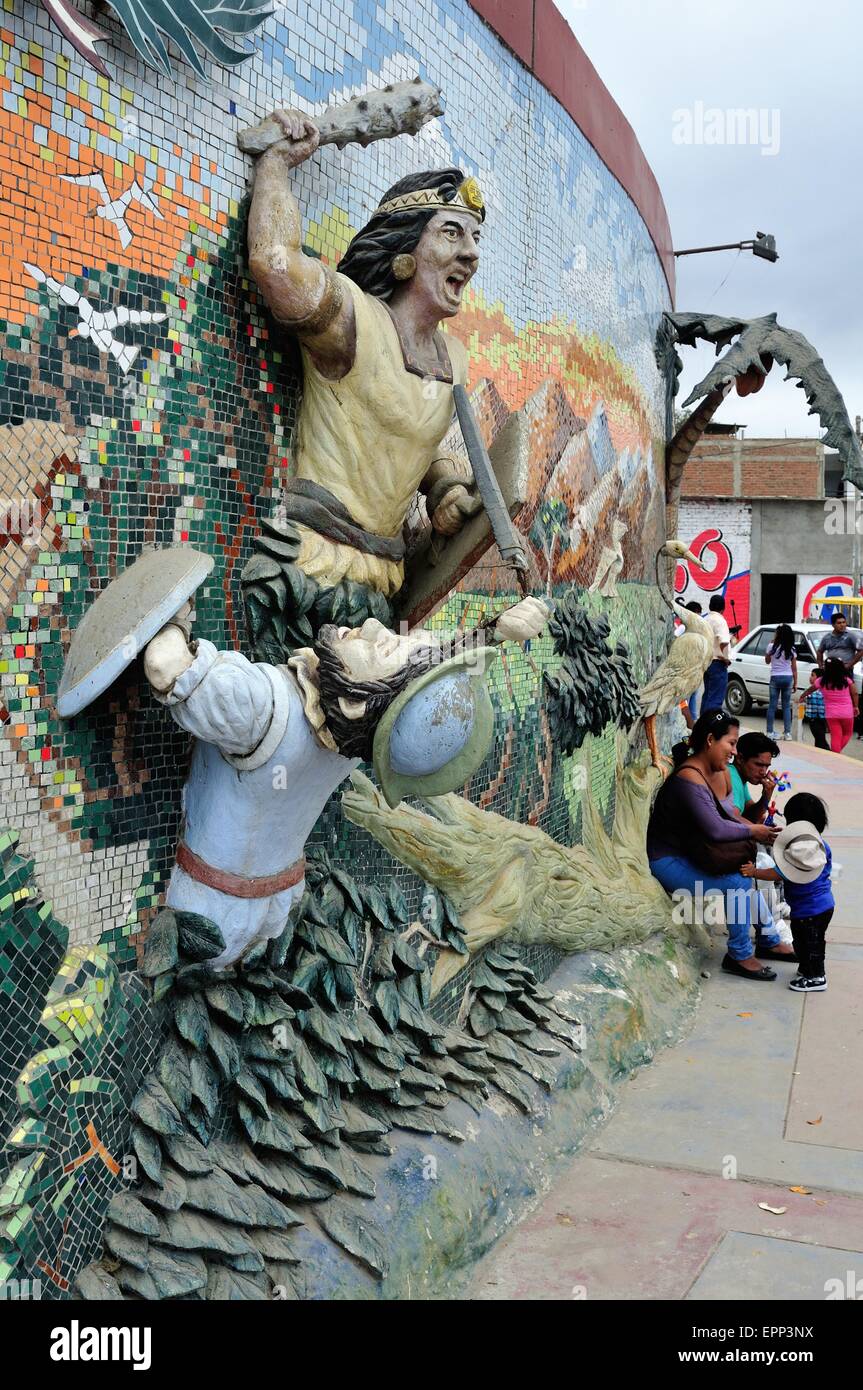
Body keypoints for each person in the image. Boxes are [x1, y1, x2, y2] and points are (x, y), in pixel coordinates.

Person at [142, 591, 549, 967]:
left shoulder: (265, 707)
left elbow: (165, 667)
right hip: (274, 911)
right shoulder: (359, 741)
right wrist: (492, 633)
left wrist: (176, 616)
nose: (373, 627)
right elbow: (412, 690)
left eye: (381, 646)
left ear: (356, 703)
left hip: (198, 919)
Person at [245, 113, 487, 657]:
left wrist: (444, 489)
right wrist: (277, 164)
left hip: (383, 585)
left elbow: (420, 438)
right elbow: (274, 265)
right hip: (306, 570)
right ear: (406, 251)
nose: (471, 252)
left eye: (475, 236)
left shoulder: (456, 360)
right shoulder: (355, 320)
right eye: (452, 232)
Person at [647, 709, 783, 980]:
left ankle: (761, 941)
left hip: (692, 854)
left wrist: (760, 827)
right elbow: (716, 829)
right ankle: (740, 955)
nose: (734, 751)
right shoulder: (689, 779)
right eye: (731, 743)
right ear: (710, 740)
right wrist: (754, 831)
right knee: (738, 882)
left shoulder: (719, 773)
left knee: (744, 872)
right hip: (667, 861)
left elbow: (733, 816)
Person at [742, 793, 833, 993]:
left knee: (812, 944)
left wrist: (754, 872)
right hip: (820, 905)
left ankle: (817, 976)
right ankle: (807, 968)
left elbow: (777, 873)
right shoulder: (819, 845)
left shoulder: (801, 854)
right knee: (802, 942)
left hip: (811, 910)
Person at [801, 658, 859, 754]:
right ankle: (836, 752)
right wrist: (856, 706)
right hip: (846, 713)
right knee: (847, 733)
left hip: (831, 713)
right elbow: (855, 693)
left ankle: (835, 754)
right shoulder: (846, 680)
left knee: (835, 736)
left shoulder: (821, 680)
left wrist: (802, 696)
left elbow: (810, 689)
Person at [765, 622, 797, 740]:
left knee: (772, 706)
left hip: (775, 677)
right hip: (788, 678)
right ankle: (787, 733)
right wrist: (795, 682)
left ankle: (769, 732)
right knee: (786, 706)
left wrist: (770, 653)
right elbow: (794, 668)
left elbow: (767, 661)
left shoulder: (771, 647)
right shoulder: (792, 649)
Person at [702, 595, 732, 711]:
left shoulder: (705, 620)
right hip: (717, 663)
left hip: (706, 662)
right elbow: (724, 642)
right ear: (723, 608)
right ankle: (711, 726)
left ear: (710, 606)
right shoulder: (720, 620)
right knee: (715, 699)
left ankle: (703, 725)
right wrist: (726, 659)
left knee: (707, 696)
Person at [803, 683, 829, 749]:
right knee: (819, 738)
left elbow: (805, 697)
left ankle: (826, 751)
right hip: (822, 718)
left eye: (812, 675)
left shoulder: (814, 692)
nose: (810, 677)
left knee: (819, 738)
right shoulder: (824, 690)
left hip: (814, 718)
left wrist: (802, 697)